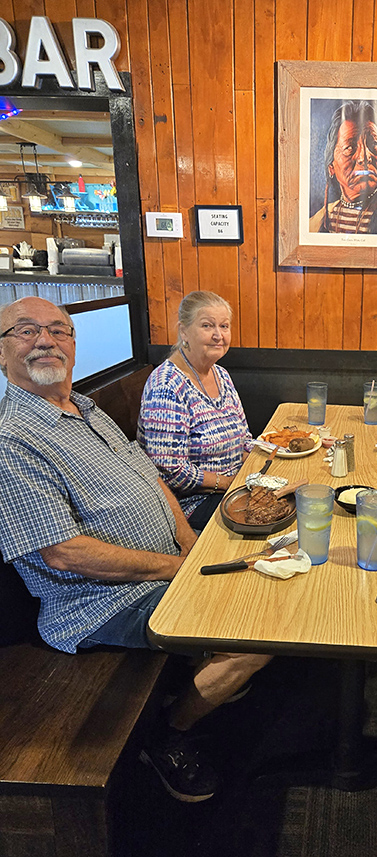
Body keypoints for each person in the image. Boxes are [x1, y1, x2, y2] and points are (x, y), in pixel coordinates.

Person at [0, 296, 270, 803]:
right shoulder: (11, 440)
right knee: (256, 634)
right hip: (100, 603)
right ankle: (168, 734)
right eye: (25, 331)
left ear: (74, 348)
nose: (45, 340)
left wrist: (188, 538)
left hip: (166, 559)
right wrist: (178, 566)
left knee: (266, 559)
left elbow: (149, 472)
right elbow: (64, 554)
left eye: (59, 331)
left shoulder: (83, 407)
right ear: (0, 353)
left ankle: (206, 673)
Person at [137, 291, 253, 531]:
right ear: (184, 331)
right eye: (207, 325)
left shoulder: (221, 374)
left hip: (233, 488)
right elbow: (171, 472)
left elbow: (244, 440)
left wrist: (275, 456)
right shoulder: (167, 386)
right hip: (189, 506)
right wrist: (231, 484)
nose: (218, 335)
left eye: (224, 326)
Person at [309, 100, 377, 234]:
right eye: (349, 148)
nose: (365, 157)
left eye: (374, 144)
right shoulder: (319, 221)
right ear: (331, 167)